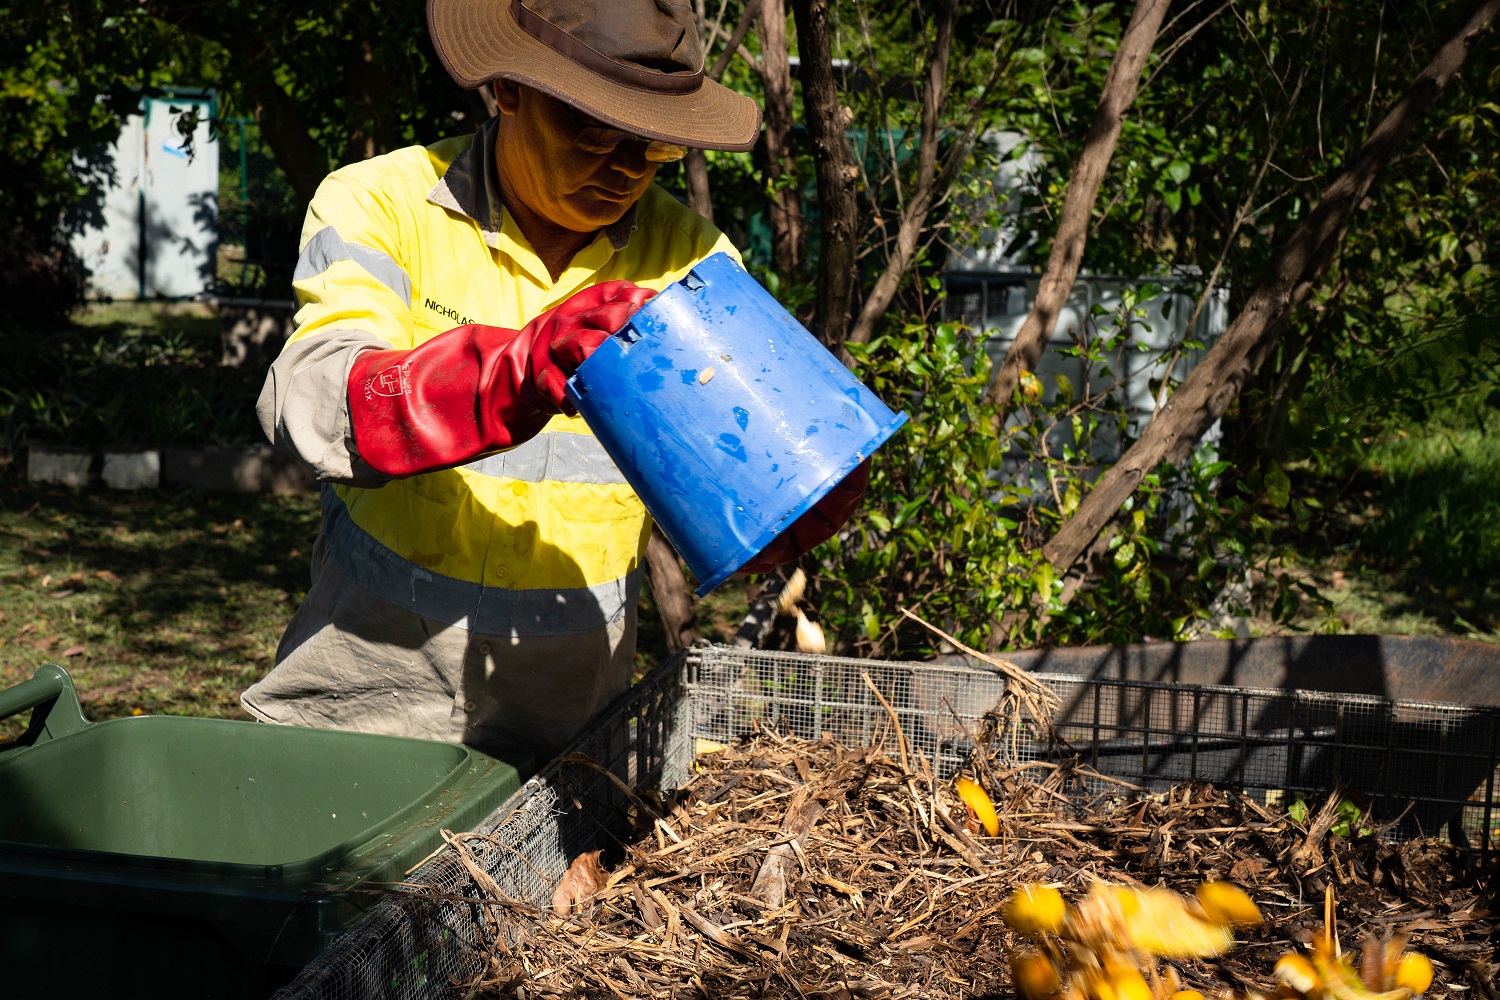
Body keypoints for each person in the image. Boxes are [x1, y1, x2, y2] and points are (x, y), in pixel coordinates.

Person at [244, 0, 868, 760]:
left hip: (569, 734)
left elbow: (750, 459)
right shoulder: (382, 203)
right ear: (508, 89)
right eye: (595, 132)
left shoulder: (693, 262)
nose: (623, 170)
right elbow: (312, 401)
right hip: (368, 705)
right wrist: (511, 373)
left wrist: (782, 492)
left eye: (652, 149)